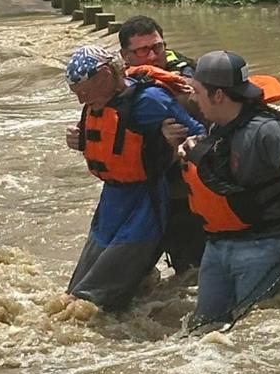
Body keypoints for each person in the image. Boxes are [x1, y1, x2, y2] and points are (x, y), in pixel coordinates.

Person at [174, 50, 280, 327]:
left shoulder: (266, 130)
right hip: (218, 246)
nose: (193, 99)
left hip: (266, 245)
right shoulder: (218, 126)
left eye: (197, 92)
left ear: (218, 95)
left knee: (258, 330)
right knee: (206, 329)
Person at [61, 45, 204, 312]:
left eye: (84, 93)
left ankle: (95, 318)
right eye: (77, 94)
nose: (81, 101)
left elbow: (199, 133)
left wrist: (176, 142)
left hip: (146, 200)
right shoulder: (96, 103)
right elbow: (108, 141)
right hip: (112, 199)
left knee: (97, 297)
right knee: (79, 285)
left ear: (105, 77)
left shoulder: (149, 100)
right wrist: (79, 141)